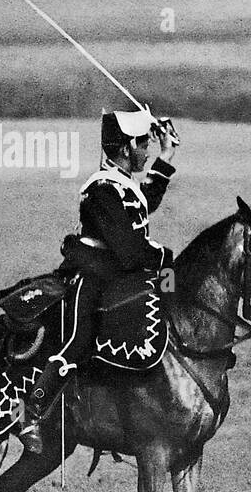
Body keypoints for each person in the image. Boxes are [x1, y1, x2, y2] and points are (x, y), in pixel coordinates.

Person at [17, 107, 178, 453]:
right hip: (89, 279)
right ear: (125, 149)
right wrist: (164, 257)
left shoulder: (121, 185)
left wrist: (167, 156)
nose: (146, 150)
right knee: (79, 340)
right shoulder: (101, 191)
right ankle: (32, 411)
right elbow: (129, 253)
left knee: (169, 294)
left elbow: (143, 201)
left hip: (116, 279)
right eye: (144, 145)